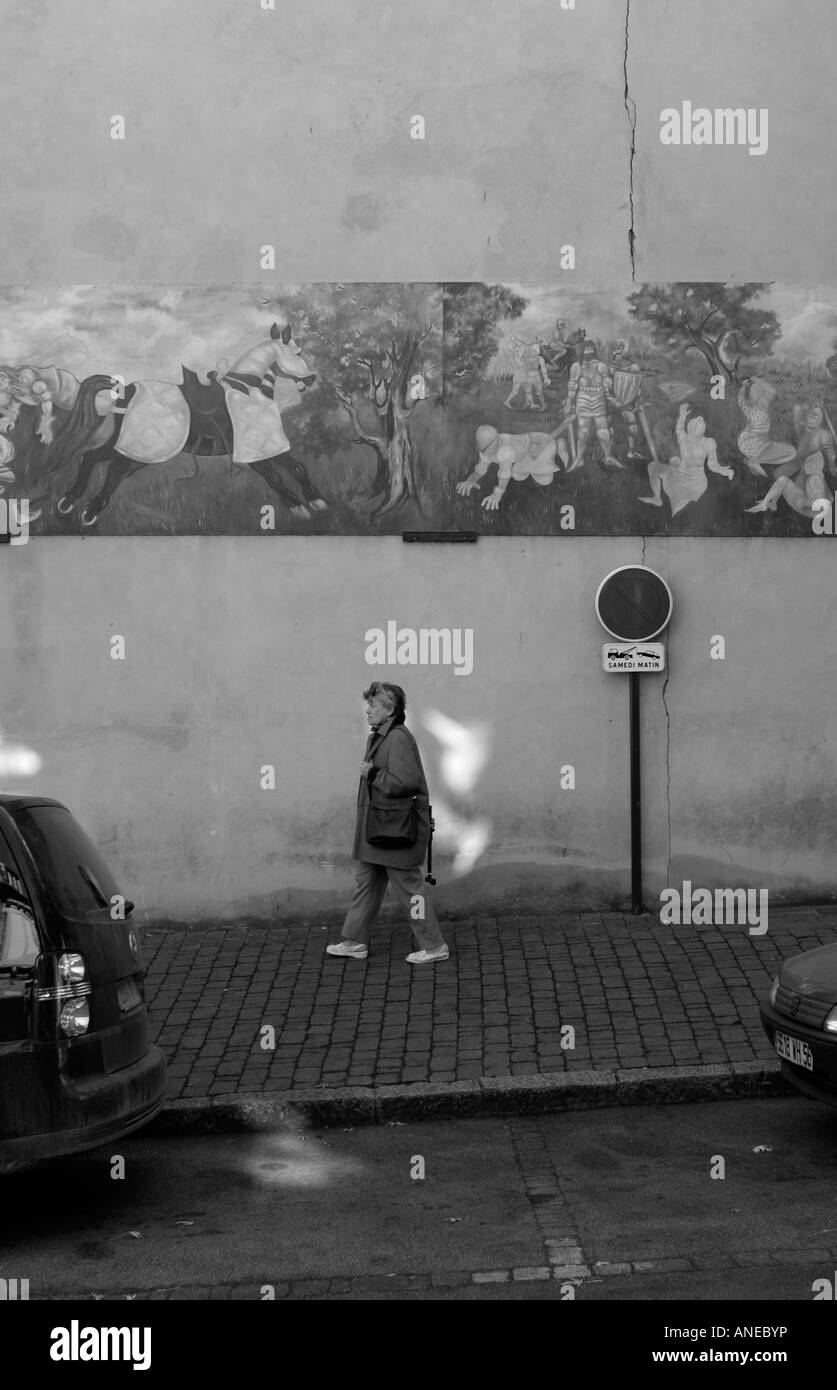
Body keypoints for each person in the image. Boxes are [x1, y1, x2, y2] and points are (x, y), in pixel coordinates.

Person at [327, 682, 449, 965]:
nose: (367, 711)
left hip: (396, 829)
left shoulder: (397, 738)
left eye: (373, 705)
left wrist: (372, 774)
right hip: (380, 829)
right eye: (367, 704)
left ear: (390, 709)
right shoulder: (381, 736)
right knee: (367, 882)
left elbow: (406, 783)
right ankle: (355, 942)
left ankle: (434, 946)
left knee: (409, 888)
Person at [639, 403, 733, 516]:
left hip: (680, 479)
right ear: (702, 431)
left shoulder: (684, 438)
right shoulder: (708, 443)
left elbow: (679, 427)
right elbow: (713, 466)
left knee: (652, 466)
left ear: (689, 429)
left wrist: (682, 414)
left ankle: (657, 498)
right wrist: (725, 471)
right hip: (699, 483)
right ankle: (673, 500)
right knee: (675, 460)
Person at [456, 424, 569, 510]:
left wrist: (496, 494)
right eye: (483, 449)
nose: (485, 454)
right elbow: (481, 466)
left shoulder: (505, 451)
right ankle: (531, 464)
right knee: (518, 476)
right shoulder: (484, 450)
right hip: (525, 452)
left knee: (545, 480)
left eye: (488, 448)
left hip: (542, 444)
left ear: (496, 441)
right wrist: (470, 480)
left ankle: (559, 444)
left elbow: (504, 476)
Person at [736, 378, 796, 477]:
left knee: (792, 452)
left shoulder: (764, 403)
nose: (759, 397)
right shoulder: (748, 408)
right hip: (749, 442)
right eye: (754, 394)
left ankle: (753, 460)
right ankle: (754, 461)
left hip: (764, 442)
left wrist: (757, 379)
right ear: (750, 398)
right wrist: (744, 386)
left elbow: (771, 390)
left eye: (760, 393)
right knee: (790, 453)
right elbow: (740, 399)